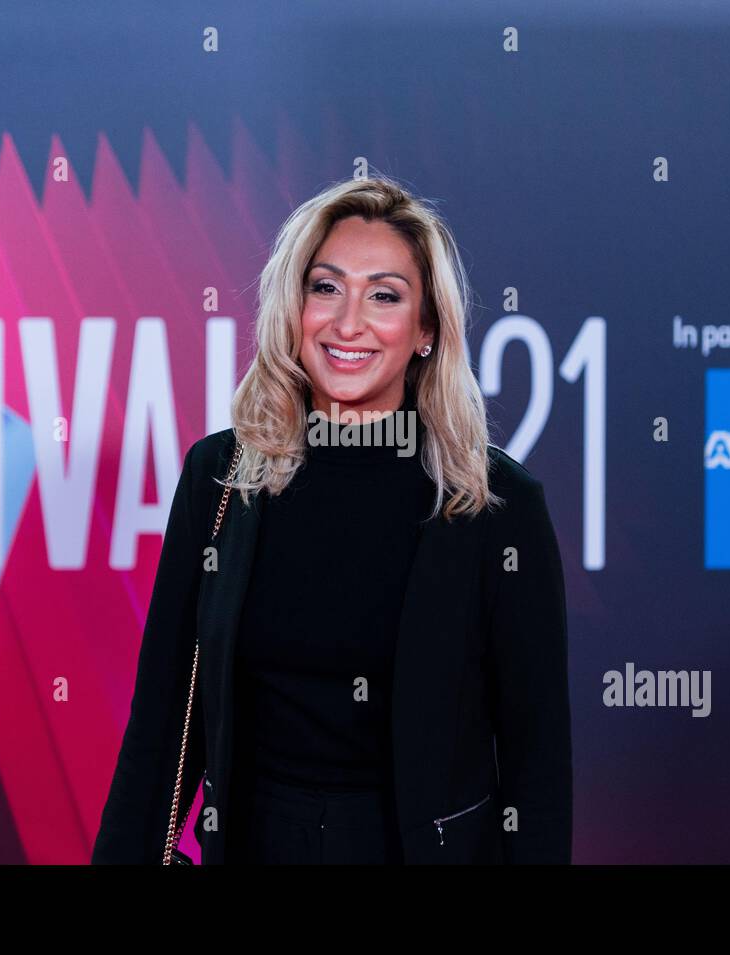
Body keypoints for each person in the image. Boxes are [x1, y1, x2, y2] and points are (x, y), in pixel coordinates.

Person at [92, 174, 572, 865]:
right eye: (325, 287)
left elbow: (538, 766)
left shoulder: (498, 504)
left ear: (427, 329)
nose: (348, 323)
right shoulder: (220, 478)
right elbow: (163, 724)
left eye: (384, 295)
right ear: (294, 309)